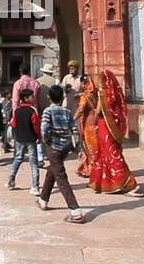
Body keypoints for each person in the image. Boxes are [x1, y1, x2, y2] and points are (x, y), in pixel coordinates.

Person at [79, 70, 144, 197]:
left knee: (107, 154)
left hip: (105, 127)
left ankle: (124, 183)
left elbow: (98, 113)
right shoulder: (116, 94)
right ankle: (113, 184)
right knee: (113, 154)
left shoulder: (103, 94)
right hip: (113, 127)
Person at [39, 85, 86, 224]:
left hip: (53, 147)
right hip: (65, 147)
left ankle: (75, 210)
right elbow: (75, 130)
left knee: (60, 176)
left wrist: (47, 142)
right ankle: (43, 199)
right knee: (52, 170)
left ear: (49, 97)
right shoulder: (66, 112)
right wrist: (77, 147)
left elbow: (44, 129)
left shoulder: (48, 111)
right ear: (62, 98)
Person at [8, 88, 42, 195]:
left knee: (18, 158)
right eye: (32, 96)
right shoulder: (32, 110)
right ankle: (35, 186)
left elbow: (13, 123)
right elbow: (36, 125)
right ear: (26, 98)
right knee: (33, 162)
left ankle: (11, 179)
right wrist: (39, 136)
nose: (33, 98)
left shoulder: (17, 110)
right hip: (31, 138)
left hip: (20, 138)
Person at [74, 75, 99, 178]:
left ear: (83, 83)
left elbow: (81, 109)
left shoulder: (85, 96)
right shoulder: (94, 94)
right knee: (93, 146)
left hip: (87, 124)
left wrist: (72, 119)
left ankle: (91, 169)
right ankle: (86, 167)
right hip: (95, 122)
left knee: (89, 147)